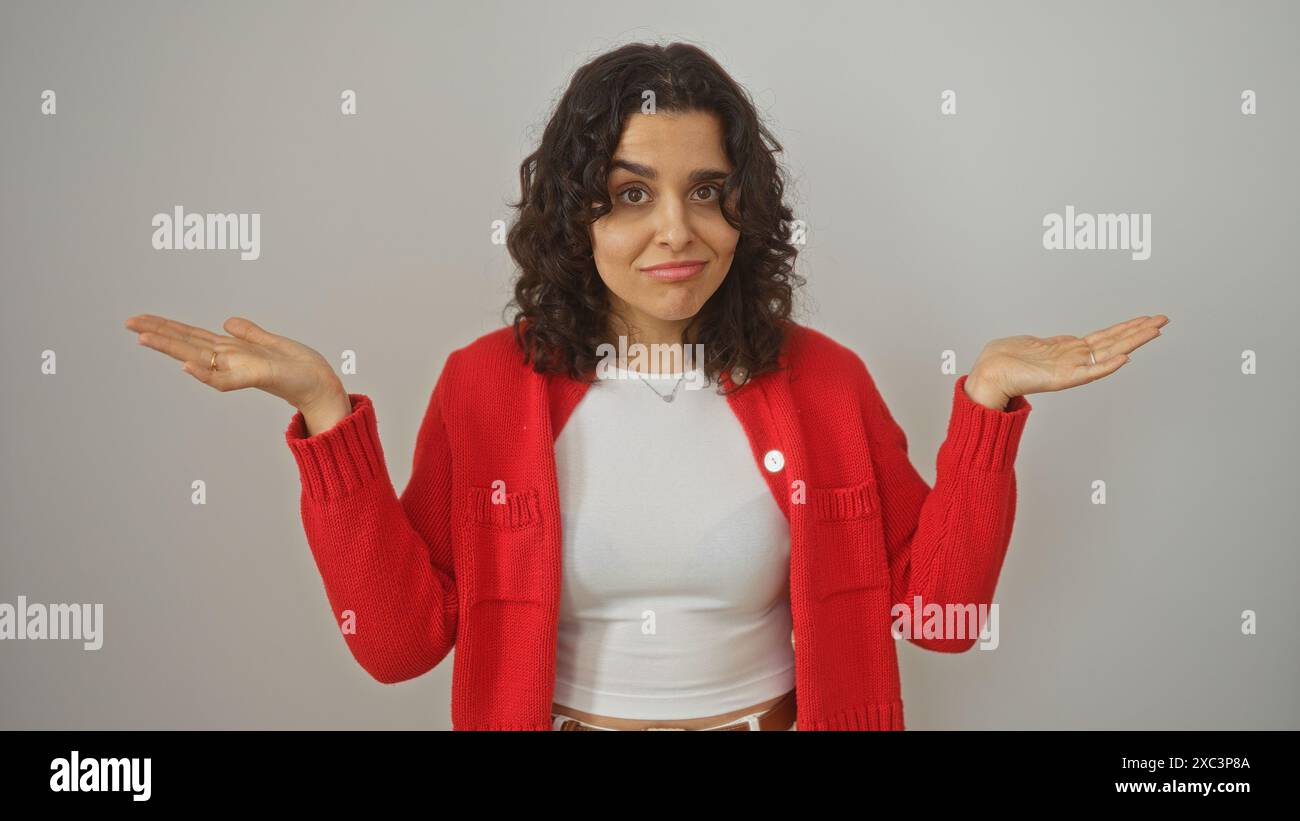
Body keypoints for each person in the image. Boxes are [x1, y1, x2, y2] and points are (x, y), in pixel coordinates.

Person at [125, 42, 1168, 731]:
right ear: (575, 219)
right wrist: (326, 412)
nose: (676, 231)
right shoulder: (484, 389)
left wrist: (984, 407)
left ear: (744, 213)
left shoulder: (825, 382)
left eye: (708, 192)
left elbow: (939, 618)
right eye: (630, 194)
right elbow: (399, 647)